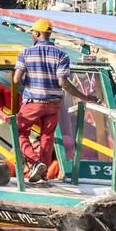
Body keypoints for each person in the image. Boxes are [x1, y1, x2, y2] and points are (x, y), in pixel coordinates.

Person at [12, 18, 96, 182]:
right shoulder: (62, 55)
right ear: (49, 34)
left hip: (33, 103)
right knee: (47, 137)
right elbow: (63, 83)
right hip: (53, 104)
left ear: (36, 33)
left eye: (32, 33)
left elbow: (16, 79)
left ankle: (35, 162)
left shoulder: (25, 53)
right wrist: (86, 97)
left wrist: (26, 80)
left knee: (19, 131)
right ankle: (42, 174)